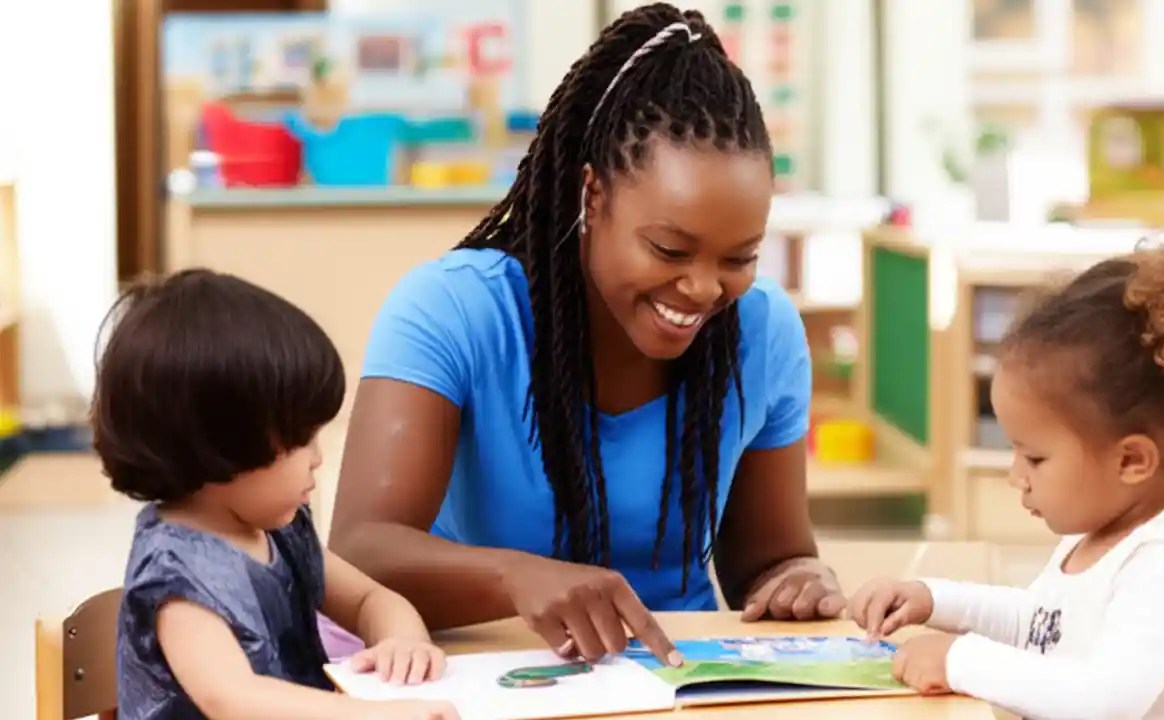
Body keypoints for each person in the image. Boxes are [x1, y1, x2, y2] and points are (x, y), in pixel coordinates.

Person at [328, 2, 844, 666]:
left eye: (739, 258)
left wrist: (797, 580)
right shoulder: (453, 310)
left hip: (682, 682)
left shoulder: (762, 330)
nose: (704, 289)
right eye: (669, 250)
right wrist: (516, 579)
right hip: (490, 675)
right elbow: (360, 550)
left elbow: (767, 561)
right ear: (592, 196)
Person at [849, 232, 1164, 718]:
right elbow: (1041, 626)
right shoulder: (1100, 533)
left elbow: (1102, 701)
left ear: (1132, 460)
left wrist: (960, 660)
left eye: (1035, 459)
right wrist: (933, 599)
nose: (1016, 477)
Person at [98, 270, 458, 720]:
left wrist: (402, 641)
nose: (316, 458)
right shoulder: (175, 573)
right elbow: (232, 700)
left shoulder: (279, 528)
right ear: (221, 443)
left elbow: (372, 600)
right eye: (299, 440)